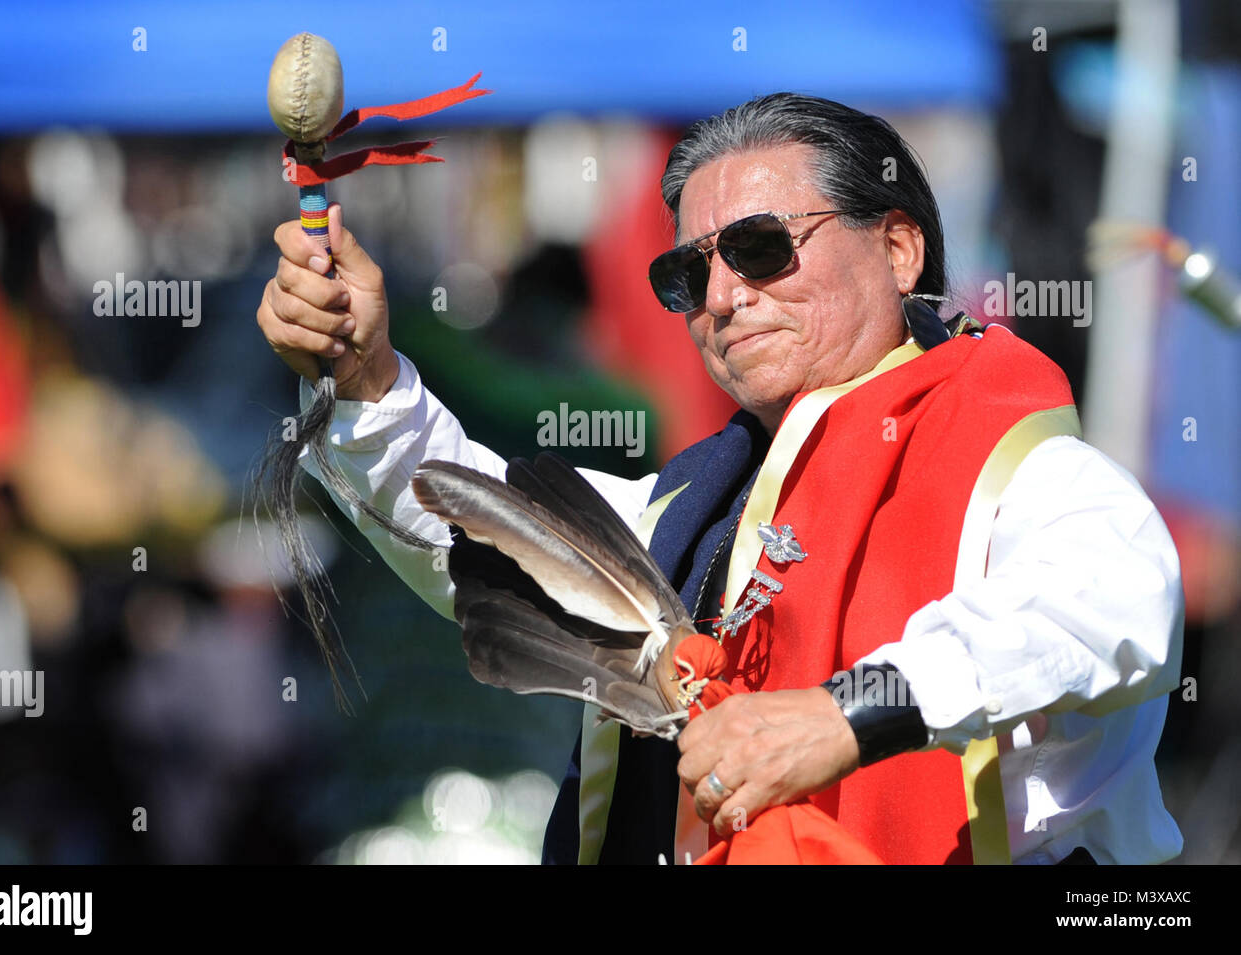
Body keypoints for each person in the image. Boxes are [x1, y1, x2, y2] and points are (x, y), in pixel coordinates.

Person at [256, 93, 1184, 865]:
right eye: (687, 273)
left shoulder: (1023, 468)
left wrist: (844, 716)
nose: (725, 297)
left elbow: (1115, 606)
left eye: (761, 247)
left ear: (898, 248)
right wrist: (367, 375)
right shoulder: (690, 513)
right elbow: (488, 531)